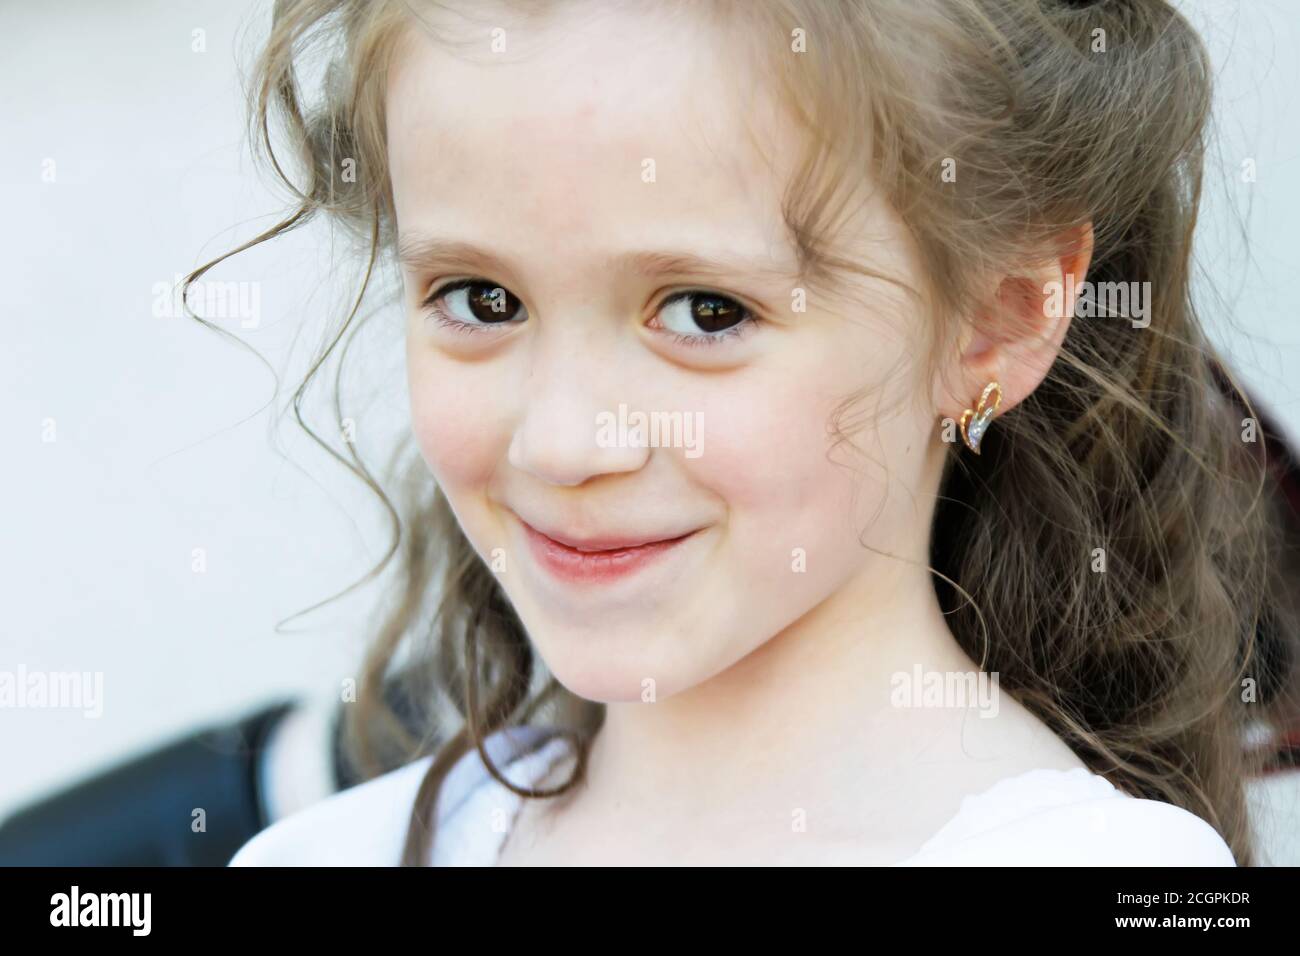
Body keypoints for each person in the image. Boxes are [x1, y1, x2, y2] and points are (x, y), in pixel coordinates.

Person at [208, 0, 1300, 865]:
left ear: (996, 322)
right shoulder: (329, 851)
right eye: (481, 299)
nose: (562, 442)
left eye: (704, 310)